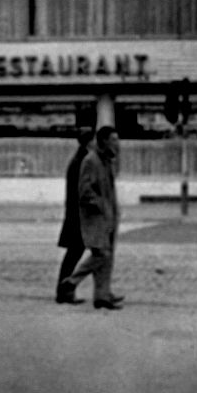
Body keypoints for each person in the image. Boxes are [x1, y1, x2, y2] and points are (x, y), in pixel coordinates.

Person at [62, 125, 124, 310]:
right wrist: (100, 206)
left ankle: (102, 295)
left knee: (107, 256)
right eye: (113, 139)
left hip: (109, 215)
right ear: (104, 141)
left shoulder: (107, 160)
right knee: (101, 254)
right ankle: (72, 281)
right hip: (96, 216)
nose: (117, 143)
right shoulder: (91, 160)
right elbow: (85, 190)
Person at [55, 128, 94, 304]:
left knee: (74, 254)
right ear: (89, 143)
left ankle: (64, 290)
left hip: (75, 214)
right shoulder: (82, 162)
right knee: (75, 254)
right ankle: (64, 290)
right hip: (79, 215)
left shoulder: (79, 160)